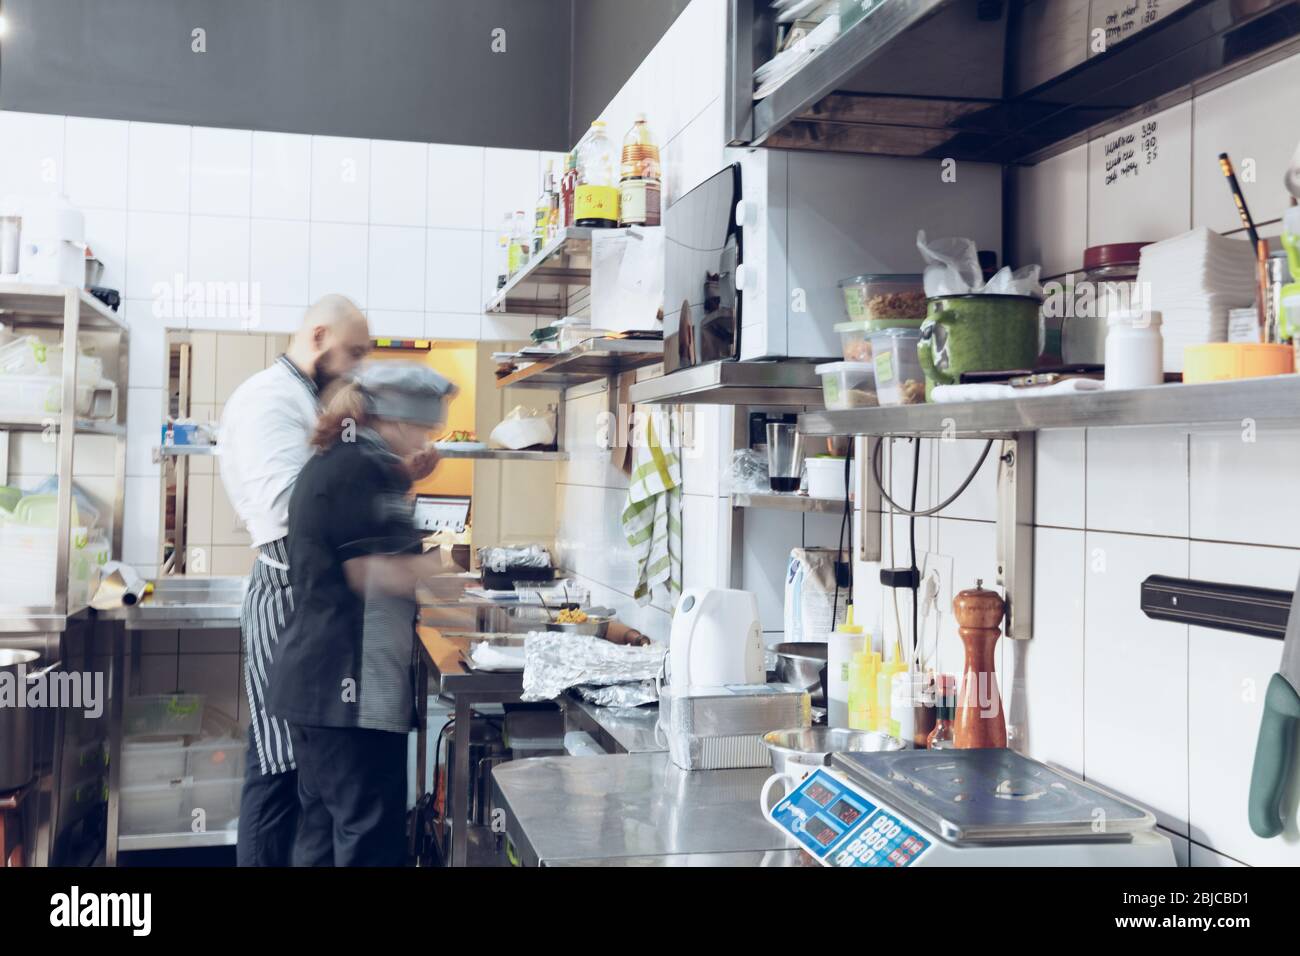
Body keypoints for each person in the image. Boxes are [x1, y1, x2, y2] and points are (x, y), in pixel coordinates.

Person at [267, 362, 455, 867]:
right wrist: (448, 576)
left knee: (323, 833)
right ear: (394, 420)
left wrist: (405, 477)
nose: (423, 441)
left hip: (319, 689)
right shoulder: (360, 467)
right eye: (421, 428)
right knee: (366, 839)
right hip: (348, 692)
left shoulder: (347, 460)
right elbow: (370, 571)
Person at [217, 295, 371, 866]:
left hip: (304, 604)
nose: (355, 365)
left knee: (285, 762)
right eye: (351, 352)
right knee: (279, 771)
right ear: (319, 336)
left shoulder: (302, 398)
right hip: (286, 602)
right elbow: (291, 516)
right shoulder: (267, 399)